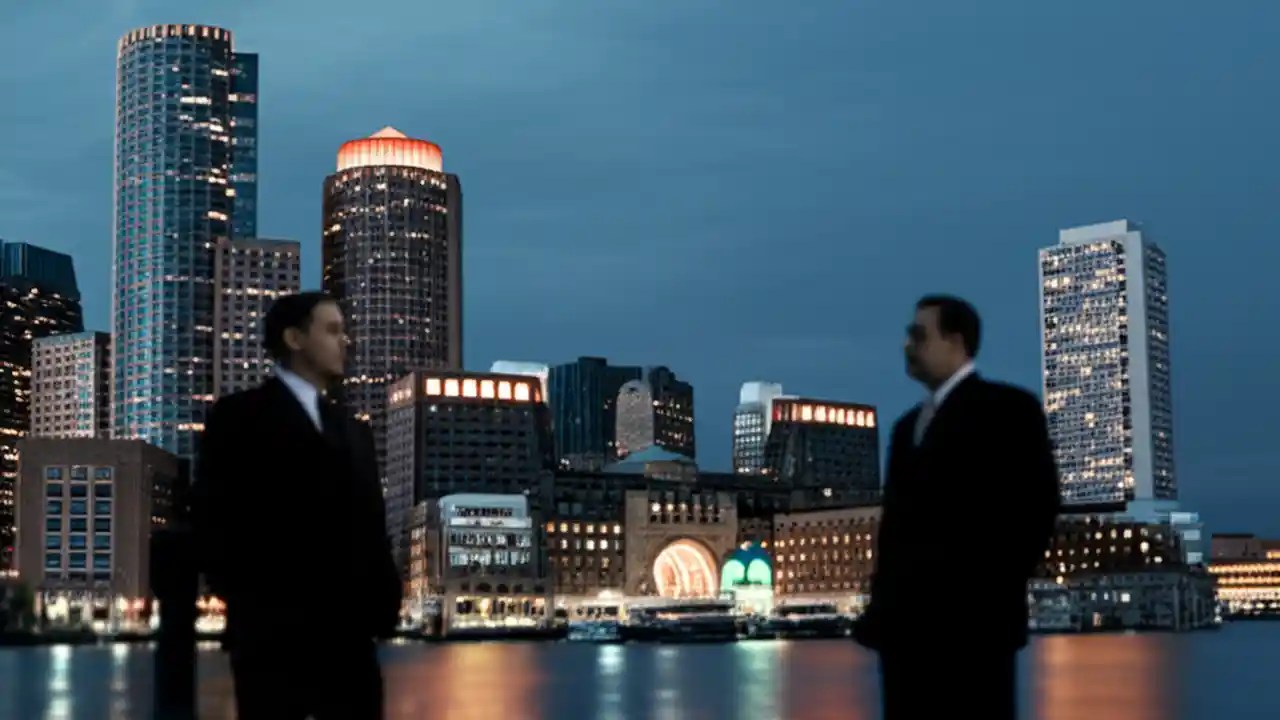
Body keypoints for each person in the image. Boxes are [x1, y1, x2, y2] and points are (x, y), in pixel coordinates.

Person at [192, 291, 401, 719]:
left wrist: (383, 610)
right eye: (332, 330)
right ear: (294, 338)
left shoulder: (355, 432)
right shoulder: (240, 417)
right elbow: (215, 520)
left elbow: (372, 530)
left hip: (351, 646)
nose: (346, 342)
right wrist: (253, 609)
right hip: (272, 642)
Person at [853, 295, 1060, 719]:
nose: (908, 345)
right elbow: (894, 531)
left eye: (918, 334)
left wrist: (990, 596)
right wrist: (881, 615)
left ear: (955, 340)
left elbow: (1037, 508)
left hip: (974, 632)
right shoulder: (906, 426)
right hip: (903, 638)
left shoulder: (1007, 410)